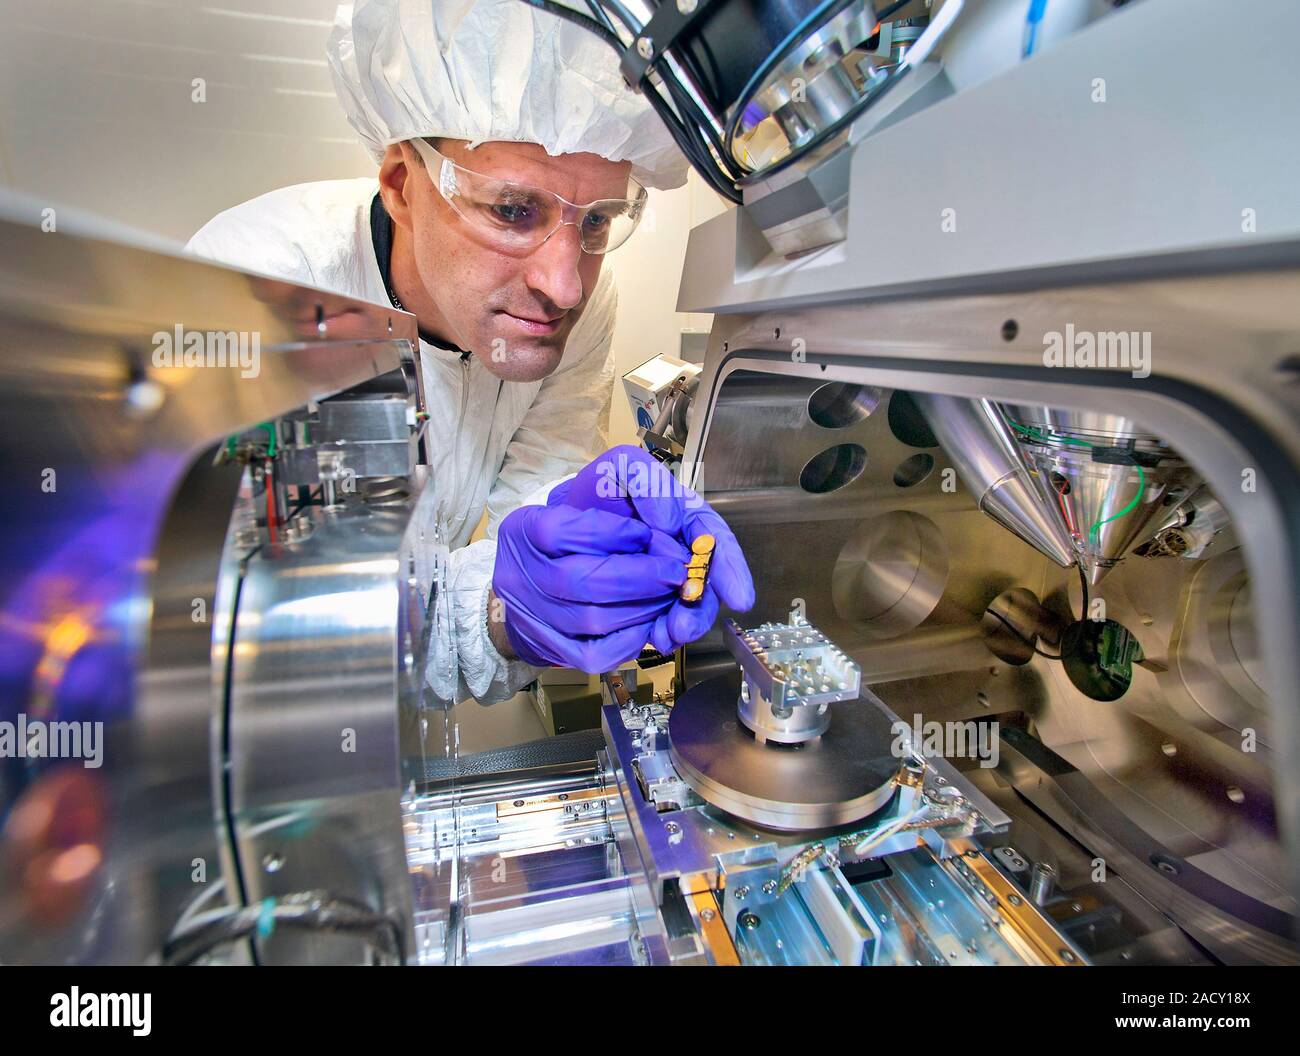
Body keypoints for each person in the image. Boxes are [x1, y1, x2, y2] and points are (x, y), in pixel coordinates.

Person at [186, 0, 752, 704]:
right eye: (514, 211)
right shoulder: (259, 293)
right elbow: (268, 638)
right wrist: (493, 610)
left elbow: (536, 506)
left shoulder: (581, 303)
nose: (565, 284)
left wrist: (594, 548)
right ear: (400, 185)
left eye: (599, 220)